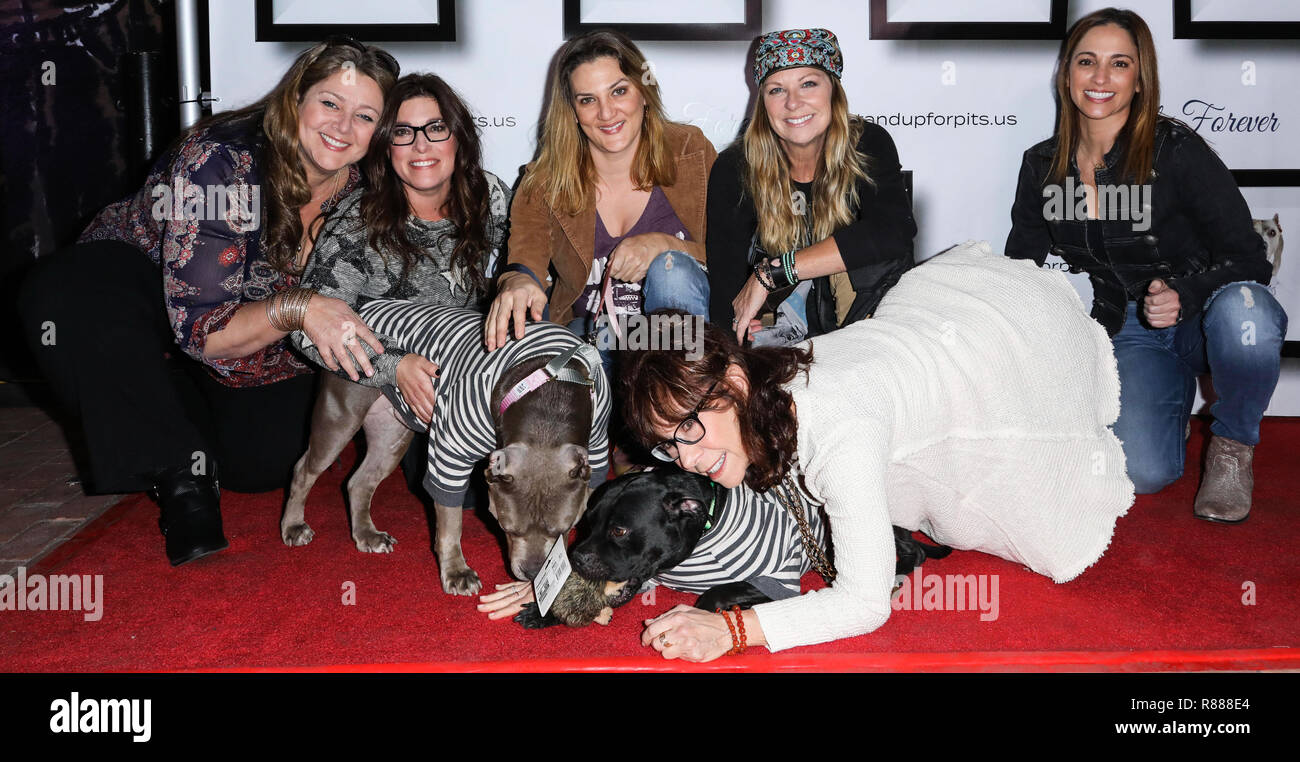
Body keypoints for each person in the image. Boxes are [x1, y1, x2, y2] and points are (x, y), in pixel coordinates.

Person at [614, 243, 1134, 661]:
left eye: (687, 428)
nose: (684, 459)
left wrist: (732, 629)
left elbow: (866, 603)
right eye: (666, 444)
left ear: (733, 381)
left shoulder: (840, 432)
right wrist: (590, 582)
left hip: (1000, 373)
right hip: (910, 352)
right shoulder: (761, 392)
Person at [17, 37, 399, 566]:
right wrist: (301, 306)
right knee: (67, 298)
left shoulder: (371, 185)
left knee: (262, 465)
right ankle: (179, 477)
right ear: (295, 100)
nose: (342, 126)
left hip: (250, 350)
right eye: (330, 103)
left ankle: (170, 417)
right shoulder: (224, 160)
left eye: (364, 116)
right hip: (149, 299)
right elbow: (204, 332)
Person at [1005, 8, 1286, 523]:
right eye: (1087, 62)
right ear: (1066, 73)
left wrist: (1186, 292)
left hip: (1207, 315)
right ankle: (1172, 401)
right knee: (1143, 474)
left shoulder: (1177, 151)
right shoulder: (1042, 165)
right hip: (1127, 328)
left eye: (1120, 64)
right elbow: (1021, 263)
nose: (1100, 79)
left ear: (1140, 80)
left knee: (1250, 315)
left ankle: (1232, 448)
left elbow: (1250, 257)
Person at [294, 72, 512, 427]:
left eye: (436, 128)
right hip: (386, 374)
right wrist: (396, 366)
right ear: (385, 145)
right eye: (402, 132)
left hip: (466, 359)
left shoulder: (488, 195)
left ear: (459, 137)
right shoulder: (357, 222)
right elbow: (305, 326)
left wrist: (518, 280)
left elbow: (528, 259)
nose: (420, 145)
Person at [484, 29, 715, 363]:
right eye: (588, 99)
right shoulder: (544, 182)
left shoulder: (690, 151)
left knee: (672, 270)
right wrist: (517, 282)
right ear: (573, 112)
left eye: (619, 91)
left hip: (681, 343)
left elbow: (730, 259)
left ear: (644, 92)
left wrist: (665, 245)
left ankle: (680, 403)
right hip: (597, 338)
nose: (606, 113)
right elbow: (525, 261)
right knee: (580, 346)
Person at [709, 28, 916, 345]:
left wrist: (775, 272)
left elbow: (892, 234)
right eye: (777, 90)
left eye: (808, 84)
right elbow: (727, 286)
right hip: (778, 336)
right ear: (762, 102)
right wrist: (739, 338)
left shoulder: (868, 144)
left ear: (834, 90)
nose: (793, 103)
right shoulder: (735, 168)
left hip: (862, 333)